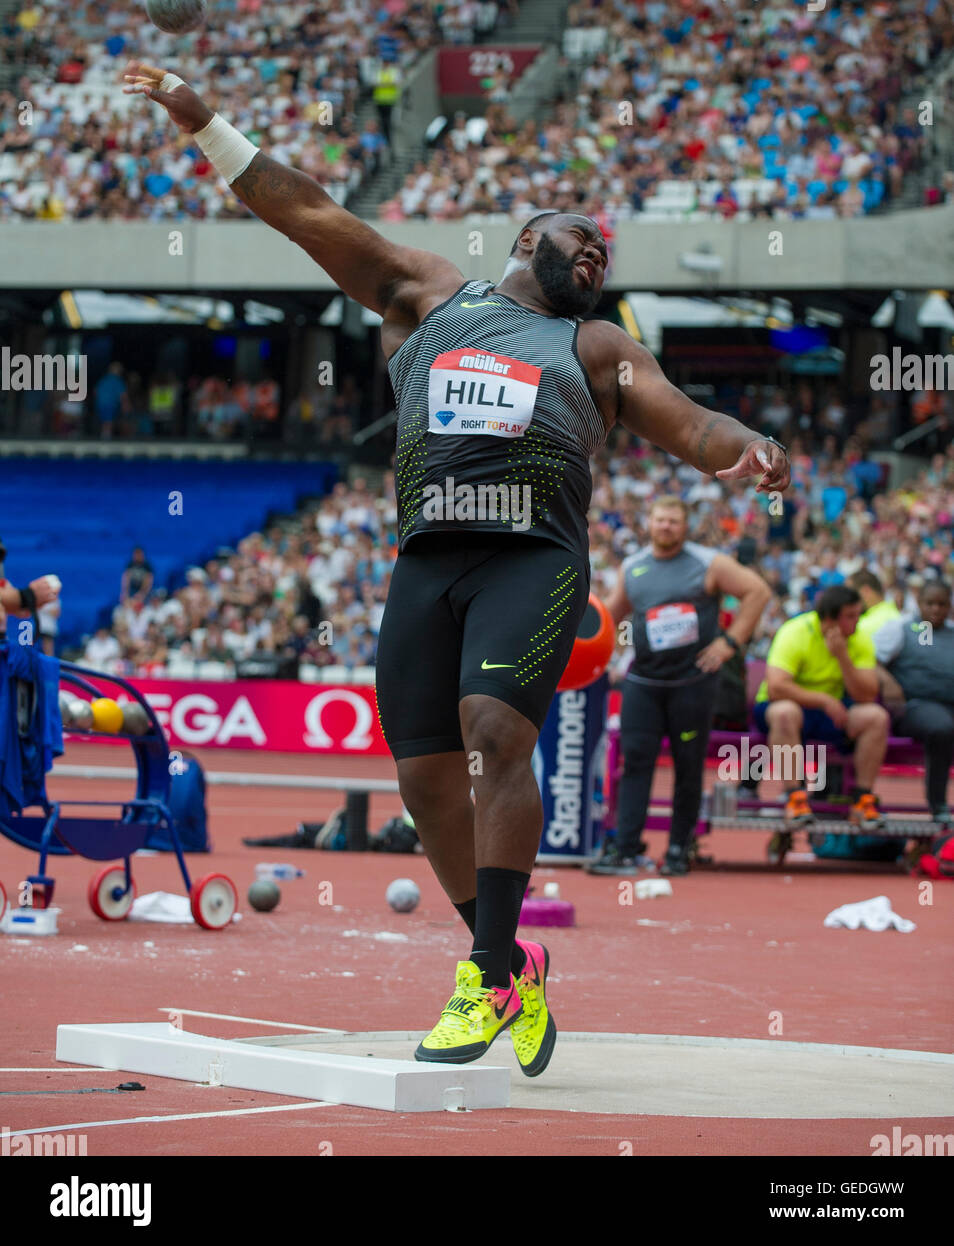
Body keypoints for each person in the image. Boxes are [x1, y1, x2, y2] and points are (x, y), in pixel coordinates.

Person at [122, 56, 790, 1075]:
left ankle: (479, 976)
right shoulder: (430, 294)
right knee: (425, 771)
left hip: (534, 556)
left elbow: (691, 422)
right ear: (529, 243)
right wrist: (200, 116)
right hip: (427, 559)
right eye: (583, 241)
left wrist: (743, 446)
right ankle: (513, 958)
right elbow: (305, 212)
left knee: (491, 732)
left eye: (606, 255)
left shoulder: (601, 348)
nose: (596, 257)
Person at [592, 496, 772, 876]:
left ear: (685, 526)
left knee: (687, 767)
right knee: (636, 762)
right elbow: (610, 615)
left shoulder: (708, 563)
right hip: (643, 683)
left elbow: (758, 592)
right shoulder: (633, 567)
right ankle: (625, 849)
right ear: (649, 523)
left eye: (674, 521)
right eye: (660, 520)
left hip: (692, 683)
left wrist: (730, 642)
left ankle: (678, 849)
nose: (666, 527)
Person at [753, 586, 889, 828]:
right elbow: (776, 687)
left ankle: (862, 801)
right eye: (850, 616)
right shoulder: (794, 632)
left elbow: (868, 694)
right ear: (829, 619)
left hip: (830, 713)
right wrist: (824, 701)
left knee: (876, 717)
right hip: (783, 708)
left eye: (859, 614)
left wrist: (842, 656)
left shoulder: (859, 638)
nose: (857, 622)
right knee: (785, 712)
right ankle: (794, 797)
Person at [874, 581, 954, 823]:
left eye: (942, 604)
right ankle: (938, 804)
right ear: (919, 603)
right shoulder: (900, 629)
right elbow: (868, 659)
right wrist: (887, 680)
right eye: (930, 603)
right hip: (915, 707)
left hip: (950, 705)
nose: (936, 609)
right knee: (942, 727)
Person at [850, 568, 901, 643]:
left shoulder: (861, 626)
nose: (848, 600)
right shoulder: (893, 612)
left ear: (866, 591)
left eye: (851, 594)